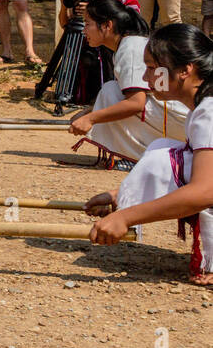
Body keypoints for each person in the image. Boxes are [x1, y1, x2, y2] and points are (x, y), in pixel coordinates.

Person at [84, 24, 213, 284]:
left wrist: (126, 216)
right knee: (170, 152)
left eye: (153, 68)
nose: (146, 77)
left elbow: (205, 190)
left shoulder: (208, 112)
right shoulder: (202, 108)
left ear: (185, 70)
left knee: (168, 156)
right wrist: (123, 196)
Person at [69, 0, 186, 169]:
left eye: (88, 24)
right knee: (110, 92)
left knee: (109, 92)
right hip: (178, 117)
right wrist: (90, 111)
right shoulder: (130, 44)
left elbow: (136, 103)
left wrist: (91, 118)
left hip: (179, 119)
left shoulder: (130, 47)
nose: (84, 30)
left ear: (107, 25)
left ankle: (135, 158)